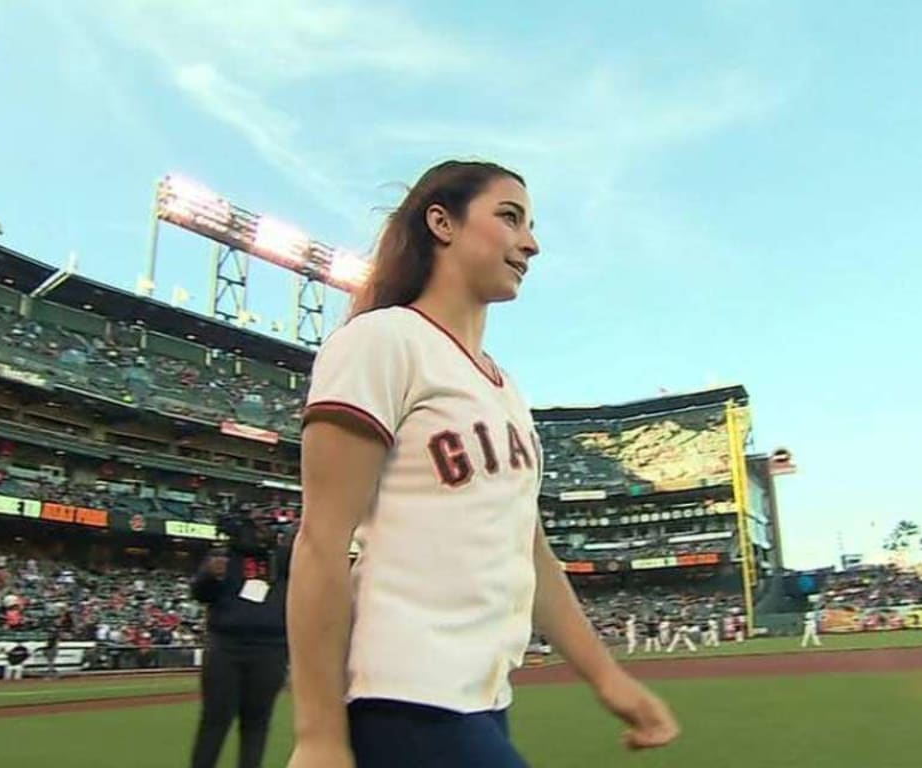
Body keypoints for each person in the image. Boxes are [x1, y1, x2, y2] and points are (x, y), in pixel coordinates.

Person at [287, 160, 679, 768]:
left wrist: (609, 680)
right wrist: (319, 737)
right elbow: (321, 540)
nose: (532, 242)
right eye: (509, 217)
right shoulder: (382, 341)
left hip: (482, 696)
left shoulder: (504, 388)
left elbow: (532, 554)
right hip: (401, 691)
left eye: (530, 224)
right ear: (441, 223)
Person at [189, 508, 292, 768]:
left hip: (271, 649)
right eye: (259, 524)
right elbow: (201, 594)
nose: (267, 529)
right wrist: (211, 576)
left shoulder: (281, 558)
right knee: (215, 720)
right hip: (226, 646)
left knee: (257, 722)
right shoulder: (223, 557)